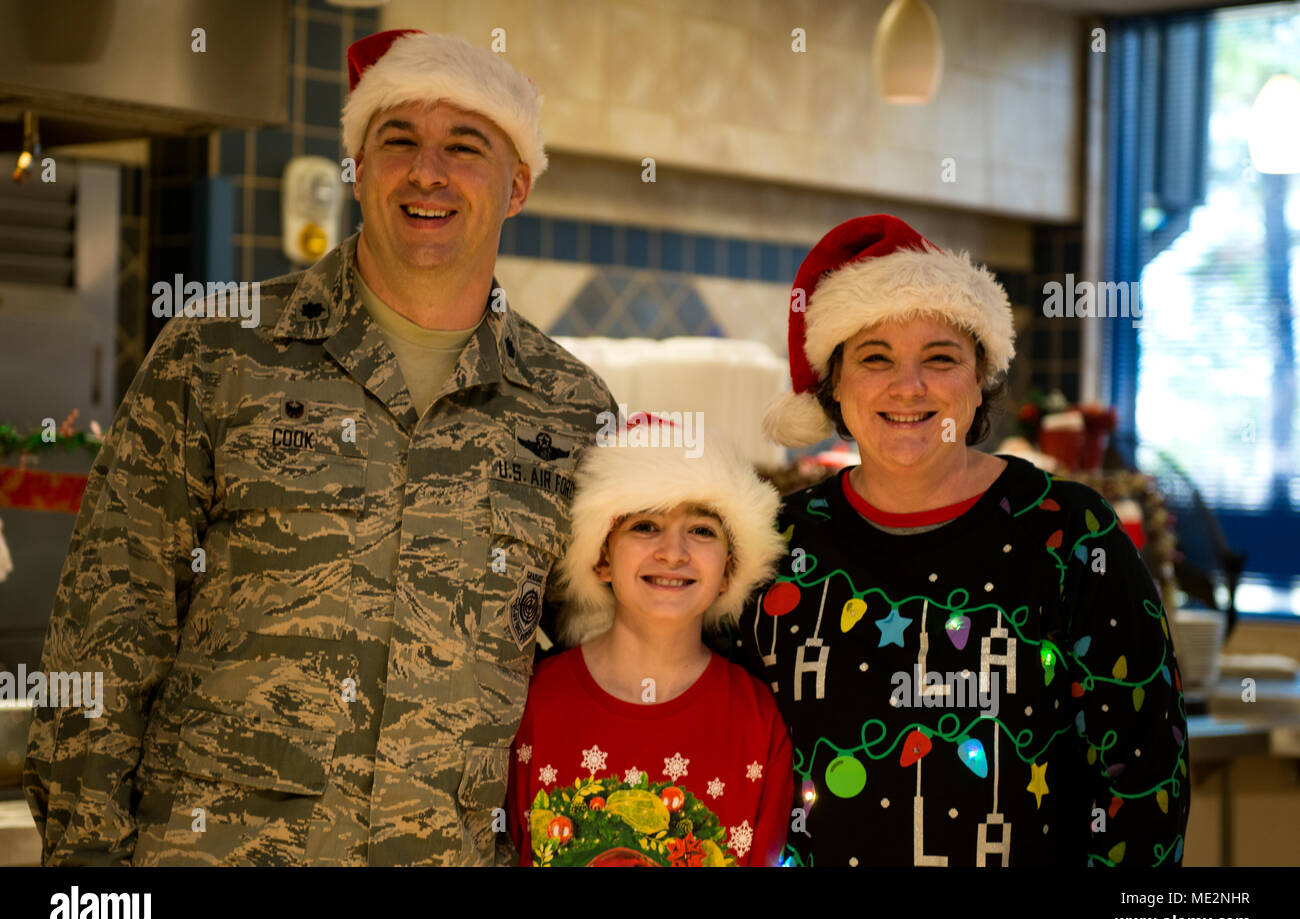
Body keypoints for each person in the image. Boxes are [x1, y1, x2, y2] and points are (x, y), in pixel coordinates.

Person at [24, 29, 617, 866]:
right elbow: (105, 629)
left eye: (464, 147)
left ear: (516, 185)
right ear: (357, 167)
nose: (427, 172)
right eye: (398, 141)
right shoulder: (218, 352)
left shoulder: (571, 411)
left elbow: (602, 676)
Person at [736, 214, 1190, 867]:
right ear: (834, 385)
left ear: (983, 380)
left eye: (941, 358)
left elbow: (1145, 781)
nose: (908, 386)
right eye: (874, 358)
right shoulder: (771, 543)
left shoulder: (1071, 536)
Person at [507, 418, 794, 866]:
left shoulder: (756, 718)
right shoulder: (535, 703)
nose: (673, 552)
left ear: (729, 571)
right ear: (602, 557)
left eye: (701, 530)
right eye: (645, 526)